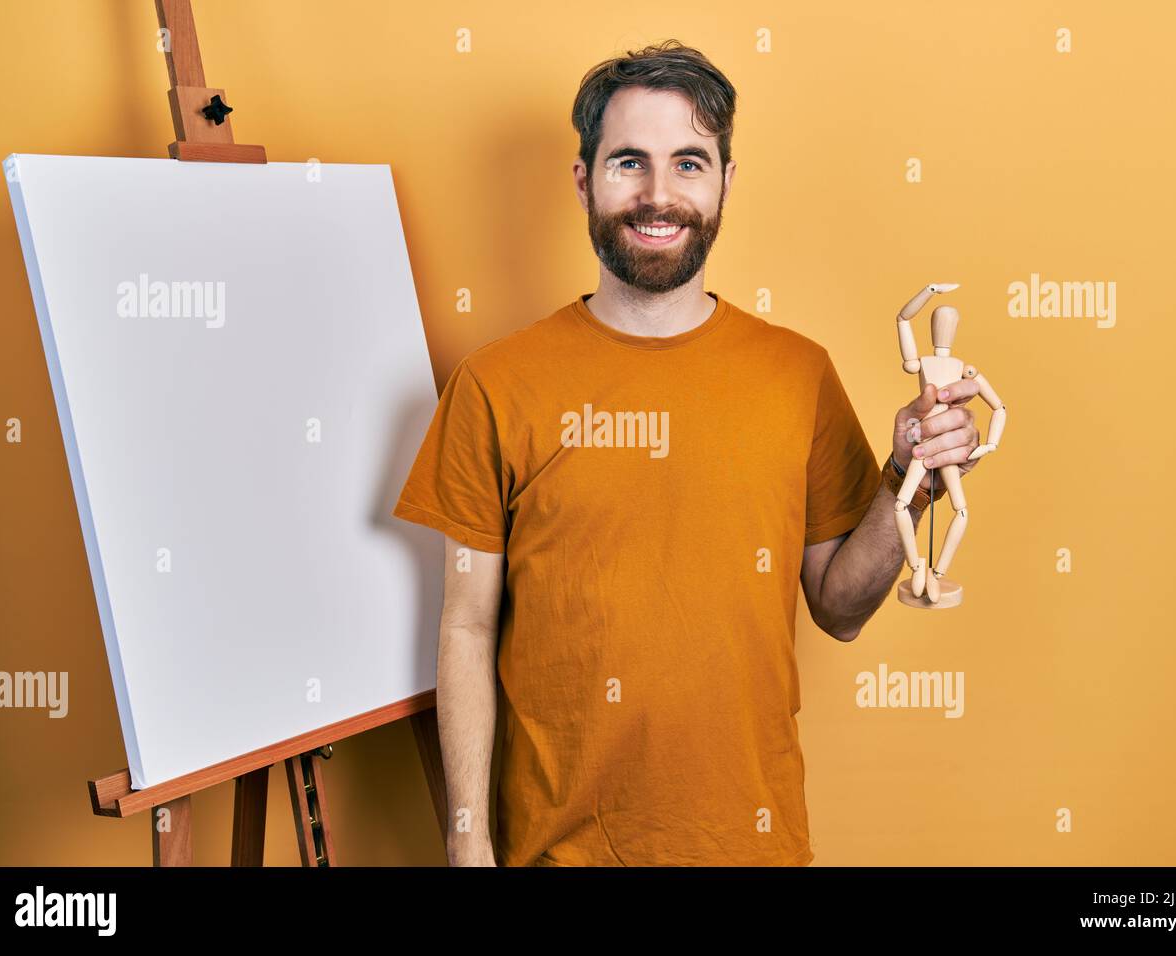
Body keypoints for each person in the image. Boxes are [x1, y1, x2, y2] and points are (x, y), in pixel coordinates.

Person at [392, 40, 982, 866]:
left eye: (690, 164)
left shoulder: (797, 373)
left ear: (727, 182)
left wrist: (910, 477)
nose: (659, 196)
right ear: (583, 179)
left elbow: (841, 609)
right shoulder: (496, 384)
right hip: (557, 853)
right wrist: (468, 845)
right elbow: (465, 626)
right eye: (629, 162)